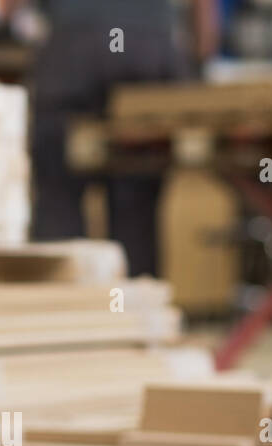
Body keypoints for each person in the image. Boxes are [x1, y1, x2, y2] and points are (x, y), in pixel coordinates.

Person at [26, 0, 188, 277]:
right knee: (136, 201)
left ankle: (63, 307)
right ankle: (133, 310)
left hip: (74, 45)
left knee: (58, 192)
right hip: (146, 46)